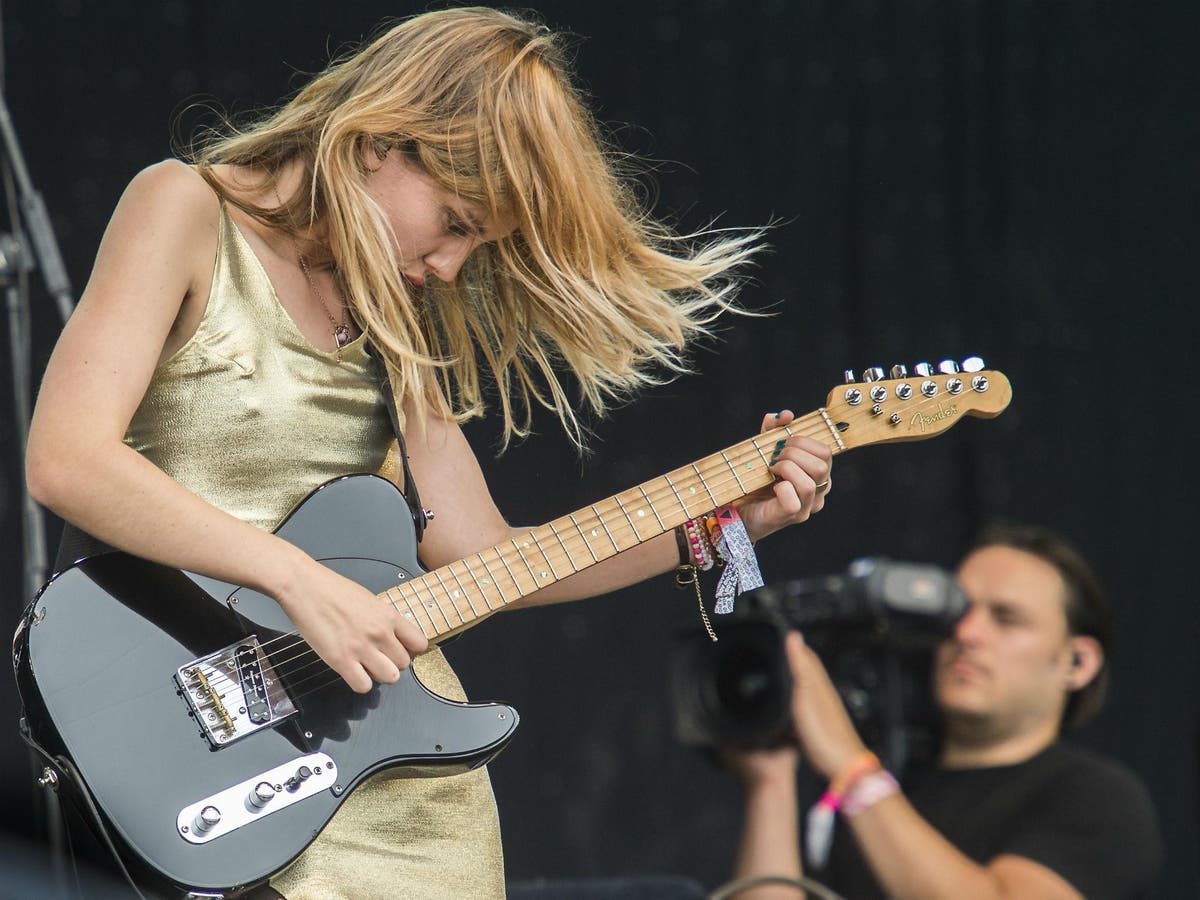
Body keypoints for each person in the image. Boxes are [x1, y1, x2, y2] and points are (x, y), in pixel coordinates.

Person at [23, 8, 835, 900]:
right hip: (198, 751)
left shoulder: (390, 322)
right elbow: (67, 459)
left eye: (474, 244)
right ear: (381, 141)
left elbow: (489, 560)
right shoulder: (184, 207)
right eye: (453, 221)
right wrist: (298, 581)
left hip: (400, 799)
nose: (450, 266)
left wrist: (720, 520)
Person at [729, 524, 1163, 900]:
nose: (966, 632)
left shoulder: (1099, 798)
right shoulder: (889, 789)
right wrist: (772, 781)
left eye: (1006, 618)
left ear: (1078, 662)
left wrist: (850, 764)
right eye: (959, 609)